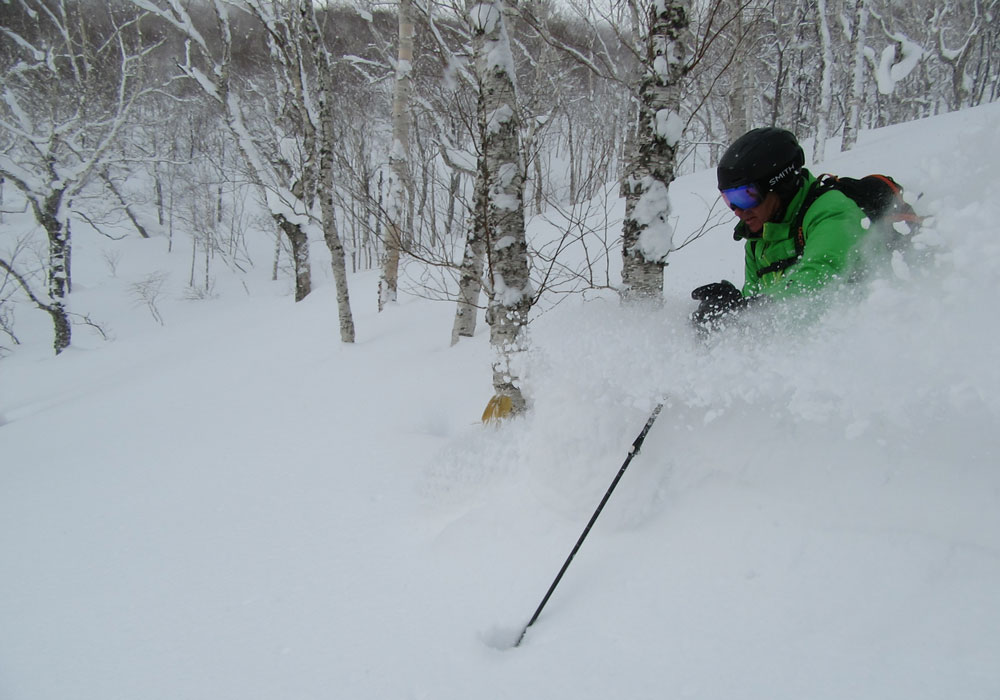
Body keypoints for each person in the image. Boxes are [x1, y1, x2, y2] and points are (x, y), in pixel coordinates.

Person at [691, 127, 869, 329]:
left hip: (858, 338)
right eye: (729, 199)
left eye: (745, 196)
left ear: (780, 184)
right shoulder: (758, 240)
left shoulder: (832, 213)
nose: (737, 211)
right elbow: (756, 319)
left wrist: (747, 311)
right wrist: (730, 313)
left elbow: (820, 279)